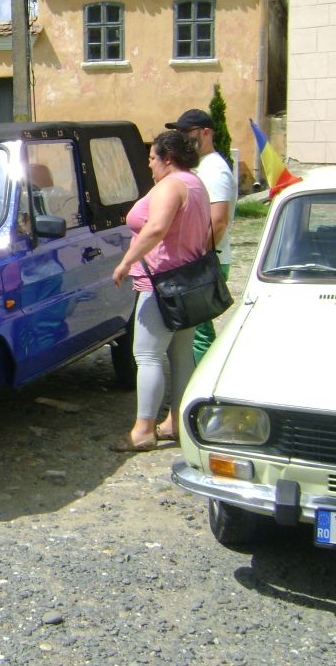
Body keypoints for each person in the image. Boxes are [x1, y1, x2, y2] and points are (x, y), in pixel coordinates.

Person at [111, 130, 211, 451]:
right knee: (180, 356)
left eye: (153, 158)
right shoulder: (196, 184)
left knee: (147, 355)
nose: (149, 164)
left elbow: (156, 227)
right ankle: (177, 423)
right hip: (188, 282)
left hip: (161, 284)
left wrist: (127, 261)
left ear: (167, 158)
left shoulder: (171, 186)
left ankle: (142, 430)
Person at [166, 109, 238, 363]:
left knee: (199, 334)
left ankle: (201, 393)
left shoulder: (215, 169)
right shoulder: (202, 166)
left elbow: (218, 221)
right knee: (196, 331)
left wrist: (197, 258)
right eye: (179, 133)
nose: (182, 138)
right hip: (202, 257)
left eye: (187, 132)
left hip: (207, 258)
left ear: (205, 133)